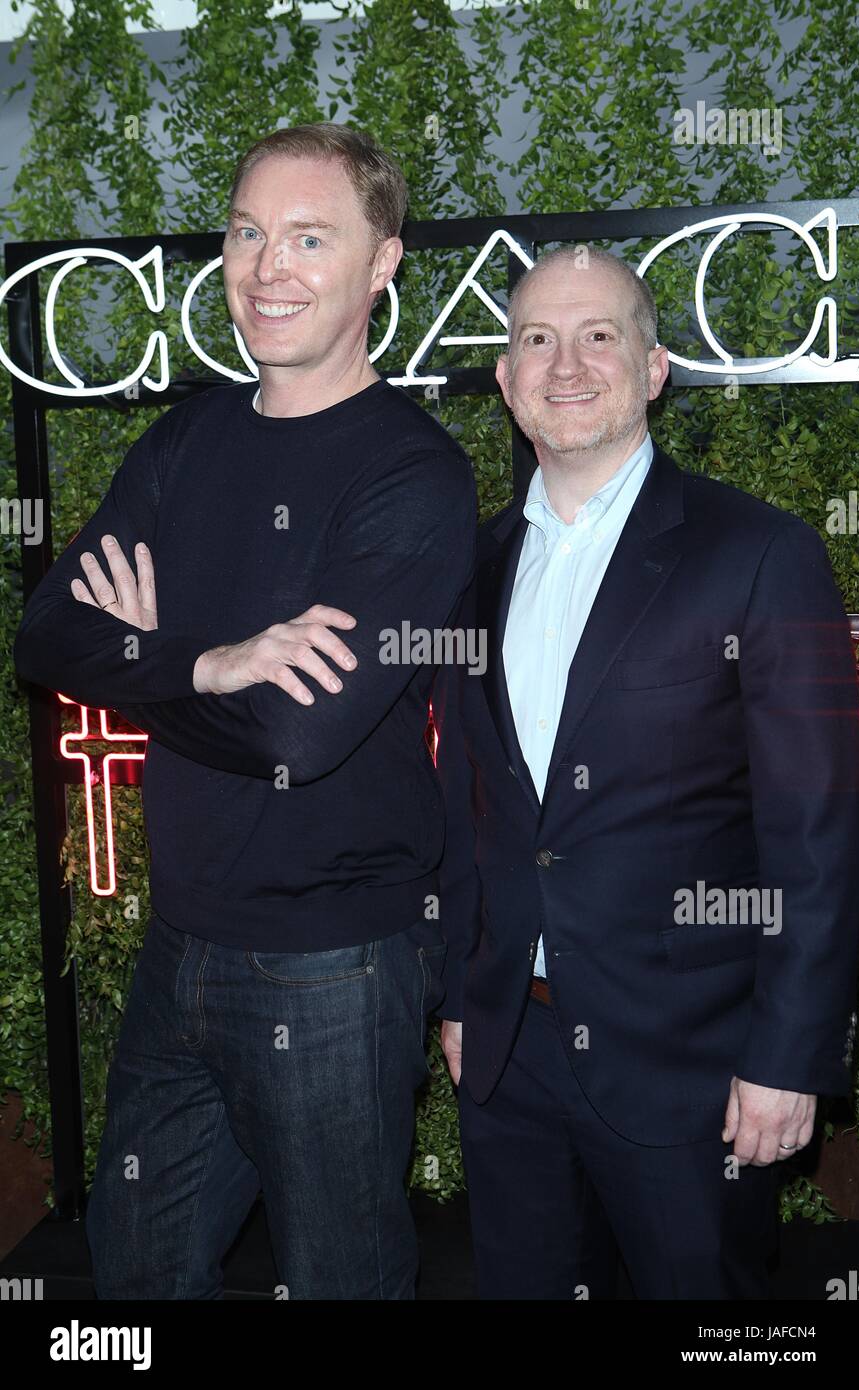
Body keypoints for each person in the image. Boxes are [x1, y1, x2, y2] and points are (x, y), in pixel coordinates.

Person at [14, 123, 477, 1300]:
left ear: (381, 264)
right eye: (247, 232)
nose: (267, 265)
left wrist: (146, 662)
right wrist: (210, 662)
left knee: (340, 1281)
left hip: (333, 965)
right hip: (181, 945)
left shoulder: (409, 472)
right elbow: (45, 637)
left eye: (309, 237)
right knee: (137, 1267)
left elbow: (297, 736)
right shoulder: (188, 438)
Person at [431, 243, 859, 1300]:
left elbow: (818, 833)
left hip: (697, 1070)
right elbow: (468, 808)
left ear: (654, 365)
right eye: (536, 337)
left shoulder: (758, 554)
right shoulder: (472, 564)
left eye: (597, 336)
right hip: (508, 1057)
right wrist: (456, 994)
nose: (564, 363)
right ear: (504, 375)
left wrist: (787, 1056)